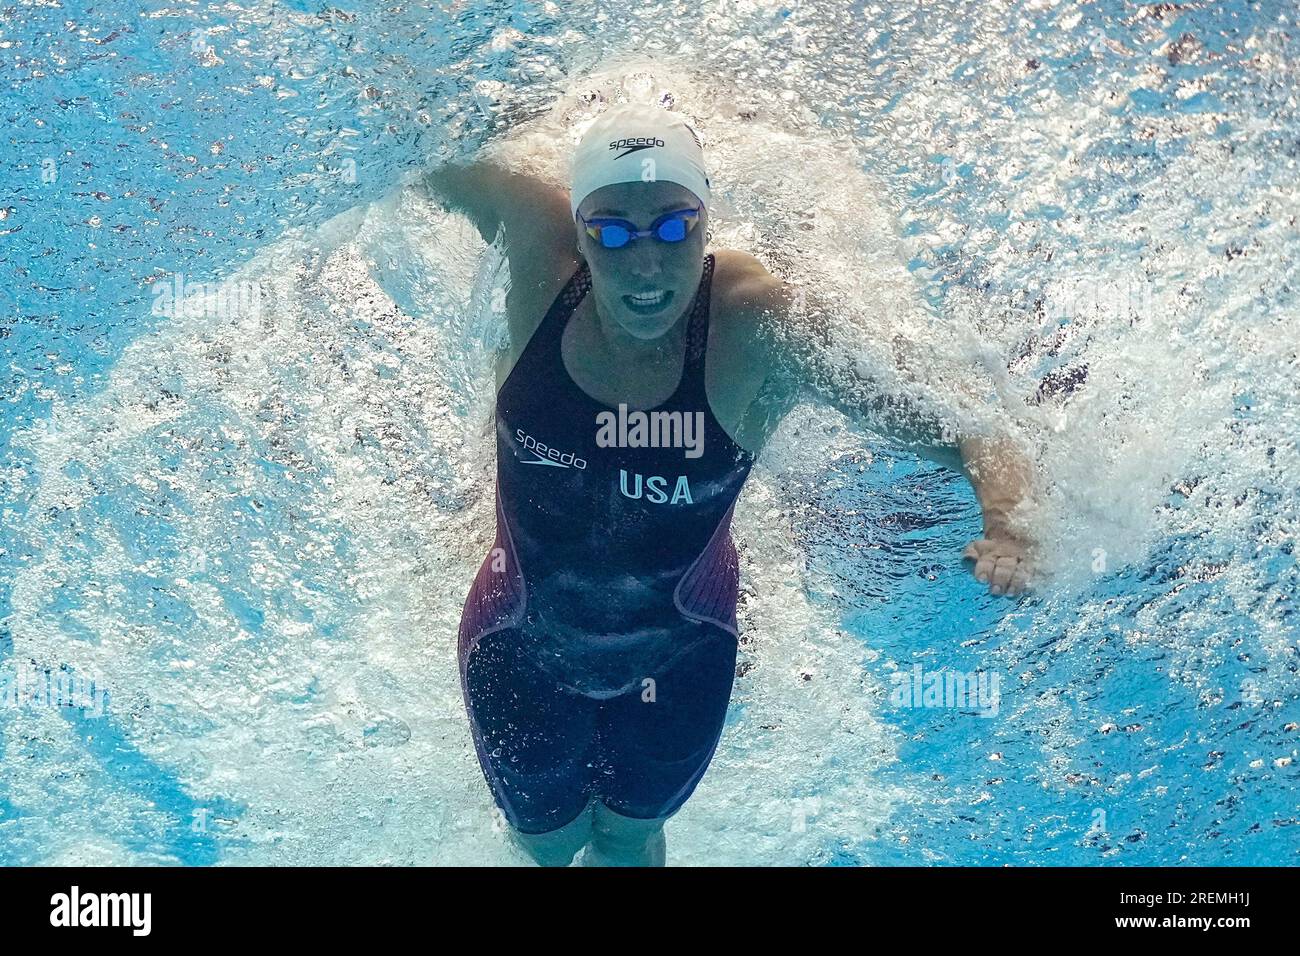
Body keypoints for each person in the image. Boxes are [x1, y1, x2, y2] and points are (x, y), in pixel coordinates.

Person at [424, 103, 1036, 866]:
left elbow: (971, 428)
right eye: (613, 232)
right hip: (518, 644)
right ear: (580, 231)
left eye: (674, 227)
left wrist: (1007, 519)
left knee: (628, 839)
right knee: (546, 848)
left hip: (681, 654)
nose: (645, 263)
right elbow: (410, 151)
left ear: (708, 220)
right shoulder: (537, 257)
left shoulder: (761, 327)